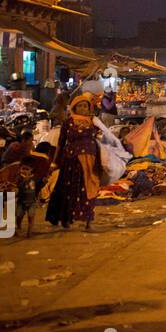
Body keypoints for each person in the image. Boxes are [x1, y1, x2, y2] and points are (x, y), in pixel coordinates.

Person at [44, 92, 102, 231]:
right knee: (68, 192)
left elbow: (102, 139)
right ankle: (66, 219)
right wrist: (55, 161)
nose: (83, 108)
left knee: (90, 190)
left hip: (90, 162)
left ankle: (88, 222)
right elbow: (61, 143)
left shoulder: (94, 122)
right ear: (74, 108)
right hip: (71, 162)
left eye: (85, 106)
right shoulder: (68, 122)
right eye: (80, 106)